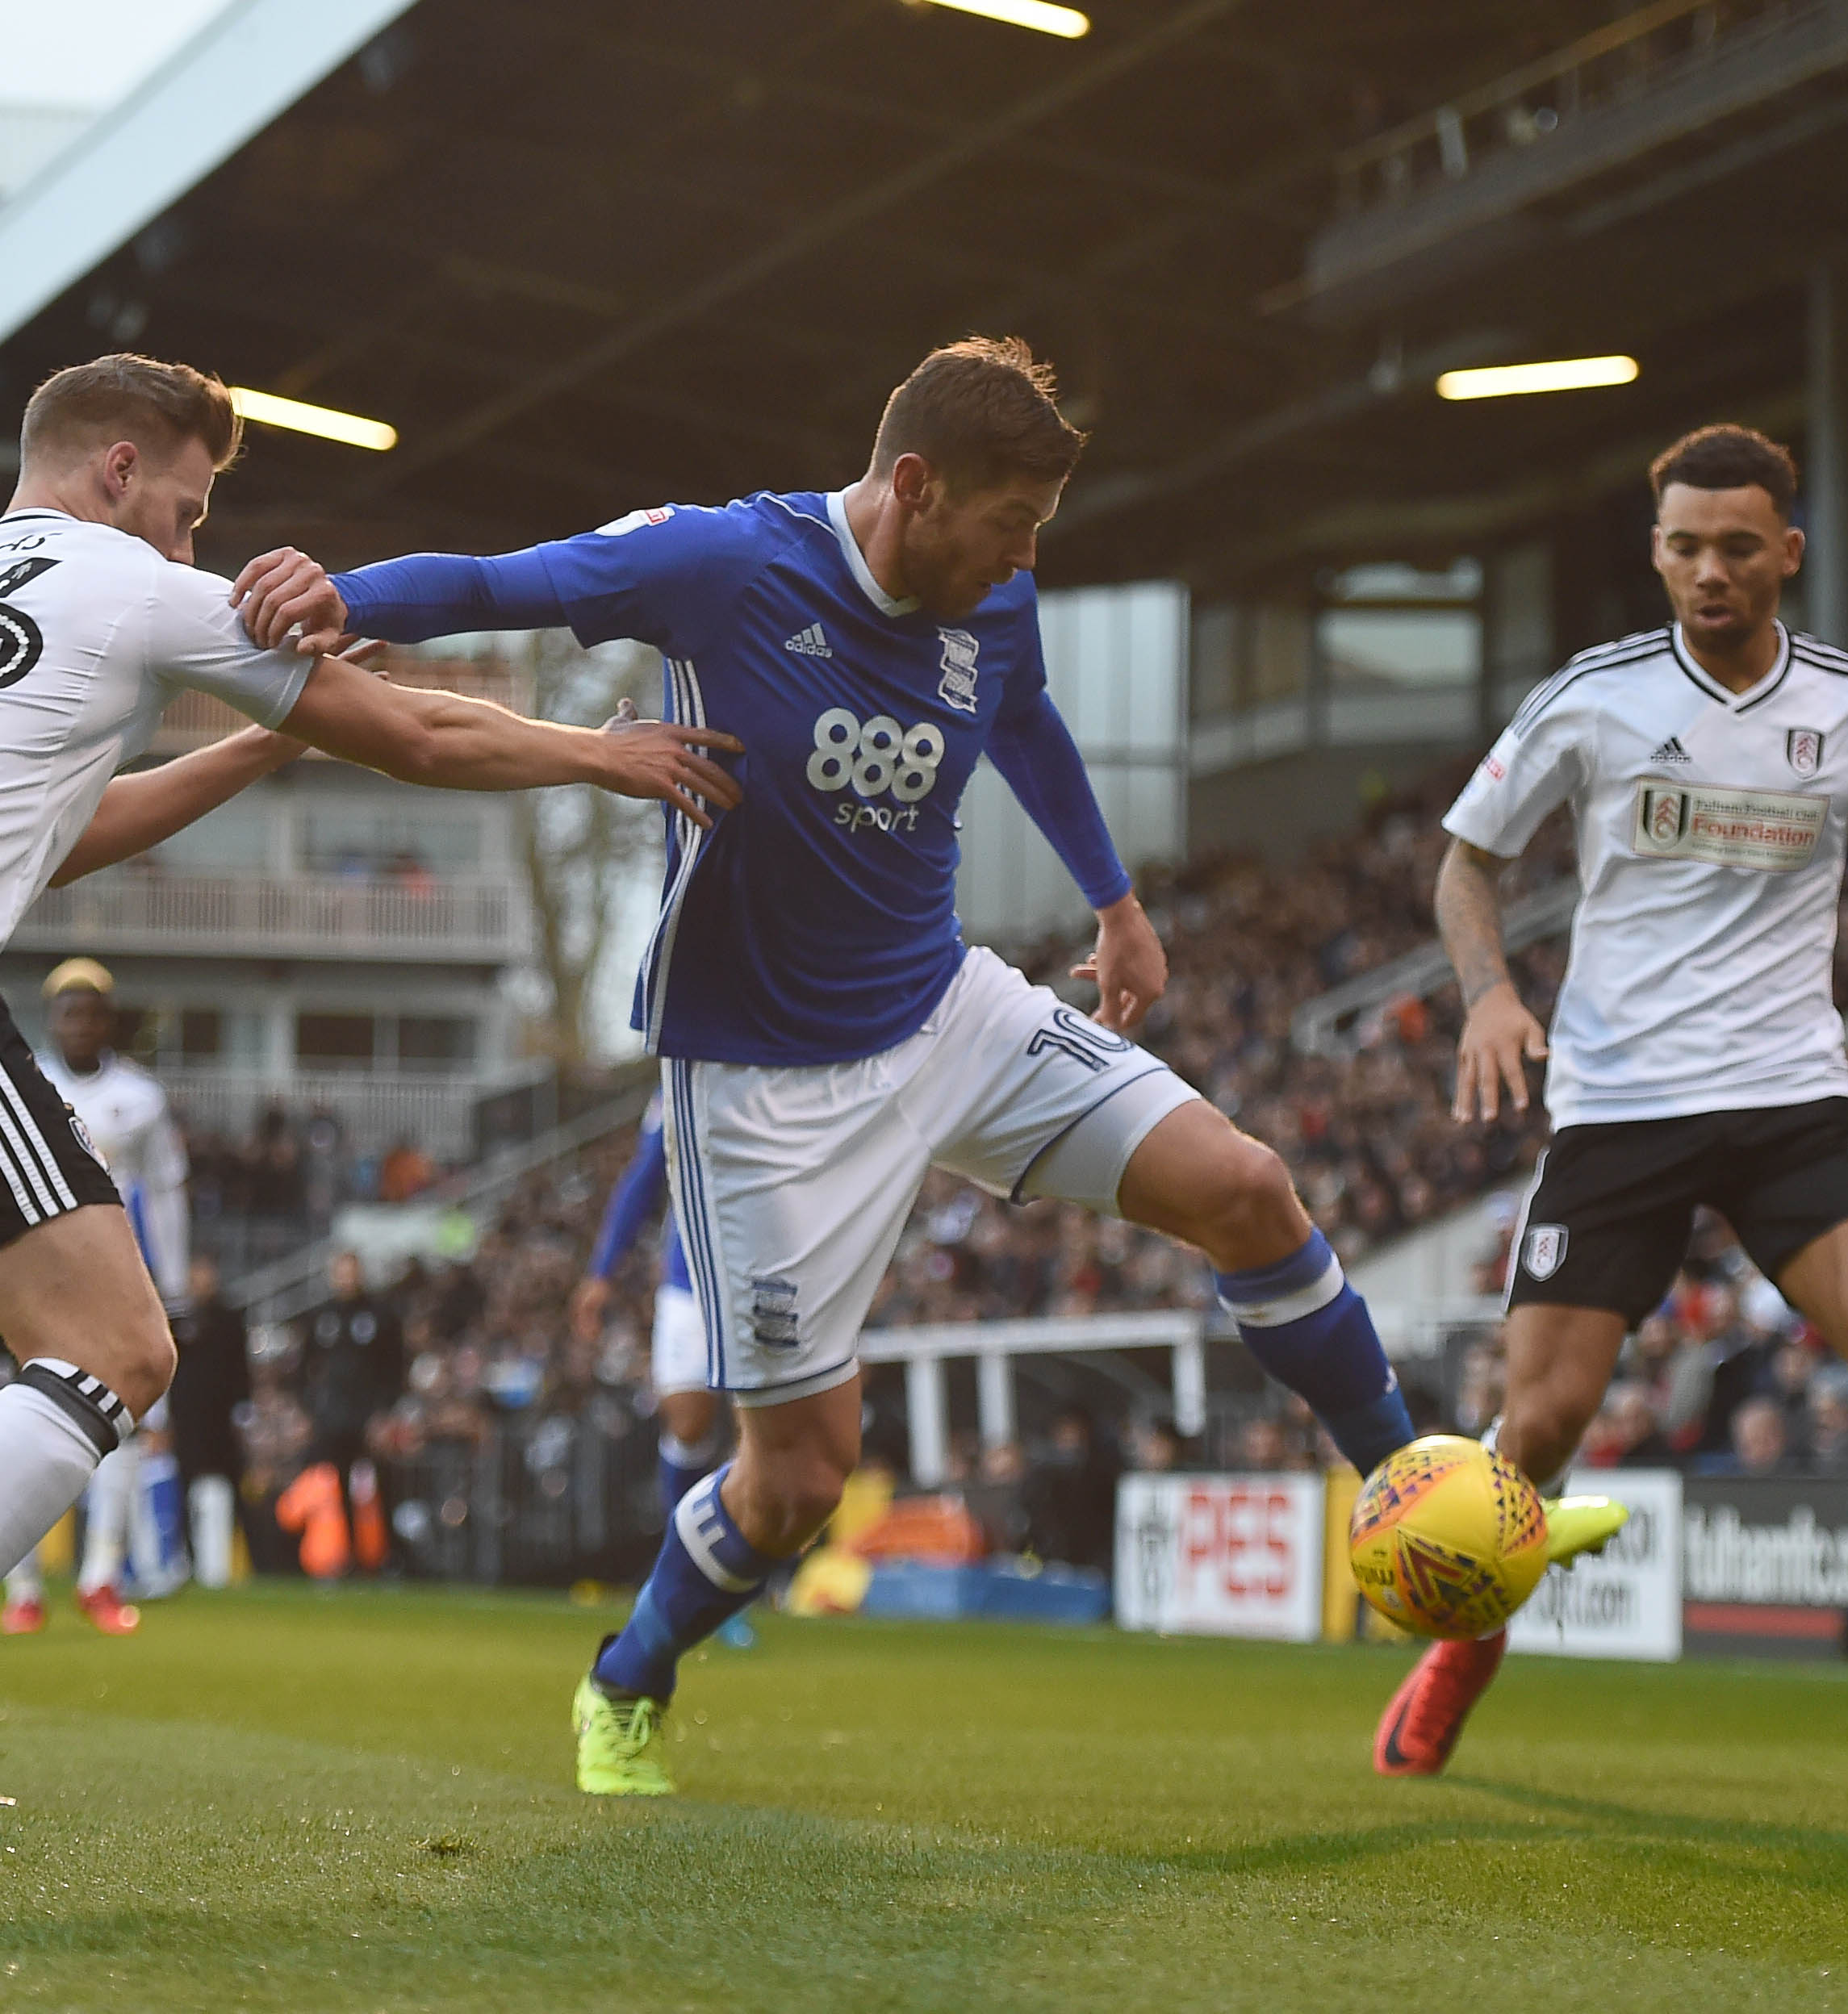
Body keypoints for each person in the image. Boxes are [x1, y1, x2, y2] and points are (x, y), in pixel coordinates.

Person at [234, 336, 1435, 1799]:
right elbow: (503, 580)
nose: (1024, 557)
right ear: (915, 487)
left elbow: (1029, 724)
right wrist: (340, 594)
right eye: (1010, 523)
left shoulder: (993, 601)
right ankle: (627, 1679)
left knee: (1247, 1185)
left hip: (947, 1012)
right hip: (758, 1087)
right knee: (797, 1483)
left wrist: (1117, 904)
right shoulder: (723, 561)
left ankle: (1407, 1478)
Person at [0, 353, 738, 1803]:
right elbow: (411, 729)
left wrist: (258, 744)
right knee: (120, 1346)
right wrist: (600, 751)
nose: (197, 547)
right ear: (118, 470)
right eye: (192, 510)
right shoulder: (126, 581)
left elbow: (55, 834)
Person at [1378, 424, 1848, 1805]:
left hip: (1788, 1096)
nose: (1709, 572)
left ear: (1787, 550)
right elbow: (1466, 863)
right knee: (1538, 1424)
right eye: (1684, 548)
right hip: (1618, 1106)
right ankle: (1466, 1653)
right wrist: (1485, 993)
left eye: (1735, 547)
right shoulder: (1588, 697)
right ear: (1655, 555)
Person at [0, 959, 188, 1635]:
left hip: (113, 1277)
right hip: (34, 1281)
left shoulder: (141, 1097)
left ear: (108, 1021)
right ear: (52, 1021)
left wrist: (174, 1282)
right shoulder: (24, 1084)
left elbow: (164, 1192)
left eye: (90, 1012)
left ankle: (100, 1576)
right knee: (15, 1422)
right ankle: (22, 1588)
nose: (79, 1023)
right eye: (67, 1012)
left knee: (124, 1428)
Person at [570, 1093, 752, 1644]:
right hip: (688, 1277)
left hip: (766, 1274)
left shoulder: (791, 1062)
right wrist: (603, 1270)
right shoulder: (680, 1079)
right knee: (689, 1421)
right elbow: (645, 1174)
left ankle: (733, 1582)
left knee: (764, 1431)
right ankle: (682, 1577)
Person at [288, 1249, 405, 1578]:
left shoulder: (380, 1315)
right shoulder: (323, 1317)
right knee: (338, 1487)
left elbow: (394, 1368)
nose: (345, 1278)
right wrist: (311, 1409)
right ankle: (349, 1556)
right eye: (340, 1271)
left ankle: (388, 1557)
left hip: (370, 1417)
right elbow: (302, 1369)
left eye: (350, 1271)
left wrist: (385, 1412)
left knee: (381, 1484)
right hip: (334, 1418)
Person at [169, 1252, 253, 1590]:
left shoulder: (229, 1319)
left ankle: (219, 1567)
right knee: (186, 1493)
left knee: (220, 1490)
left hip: (219, 1424)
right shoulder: (178, 1318)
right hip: (186, 1422)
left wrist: (243, 1411)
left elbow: (240, 1369)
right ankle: (187, 1562)